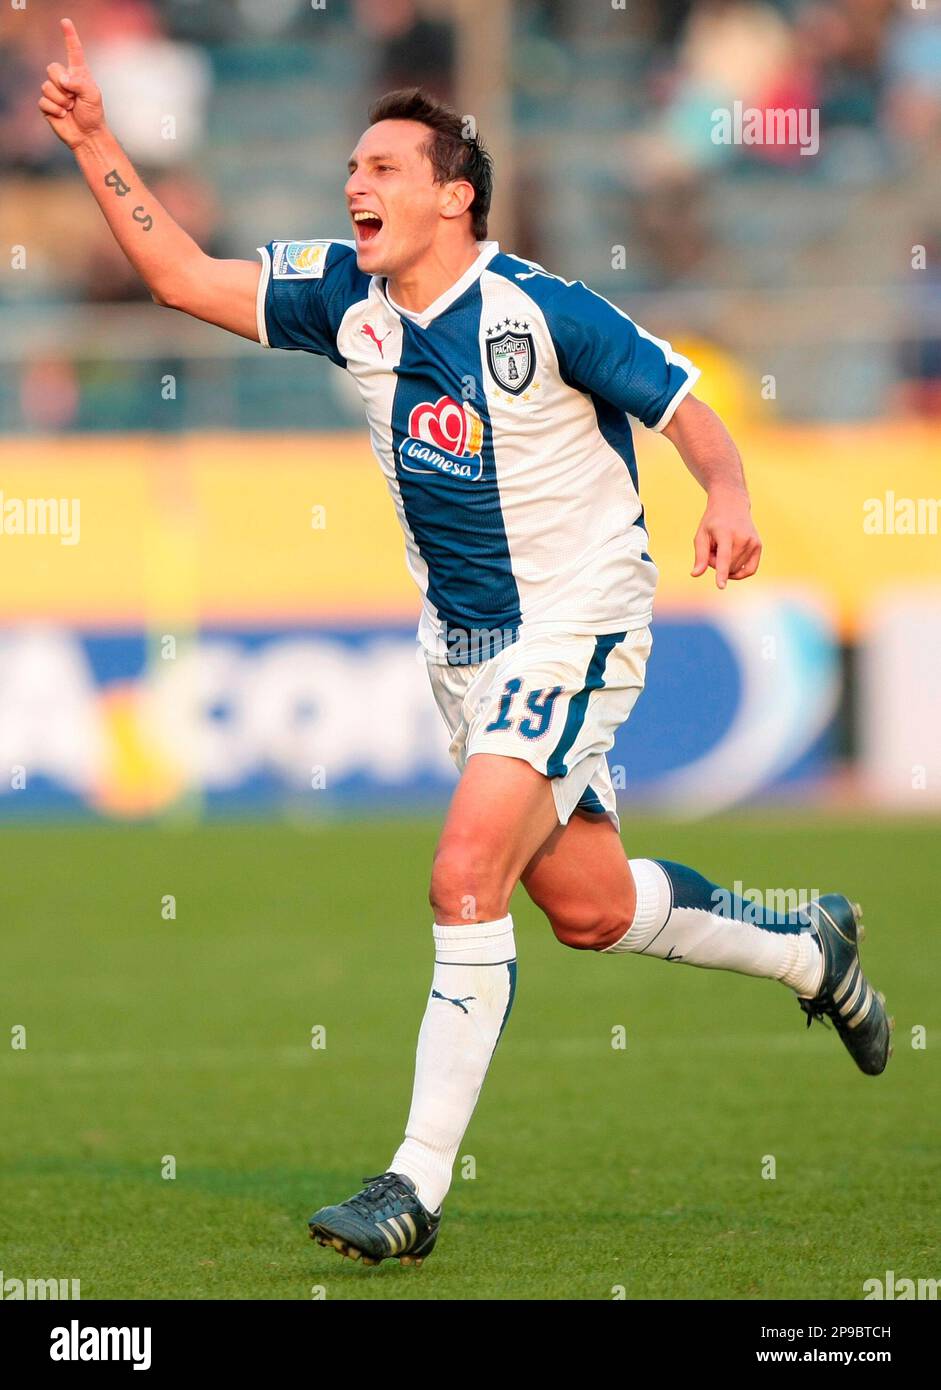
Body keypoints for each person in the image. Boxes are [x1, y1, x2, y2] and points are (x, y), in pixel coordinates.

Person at [39, 15, 892, 1270]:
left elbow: (684, 404)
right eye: (351, 167)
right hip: (465, 651)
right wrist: (97, 139)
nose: (353, 185)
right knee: (589, 908)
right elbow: (179, 277)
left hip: (576, 620)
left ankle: (411, 1186)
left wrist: (727, 493)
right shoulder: (347, 297)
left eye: (382, 170)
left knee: (459, 874)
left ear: (455, 198)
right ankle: (802, 945)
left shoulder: (542, 310)